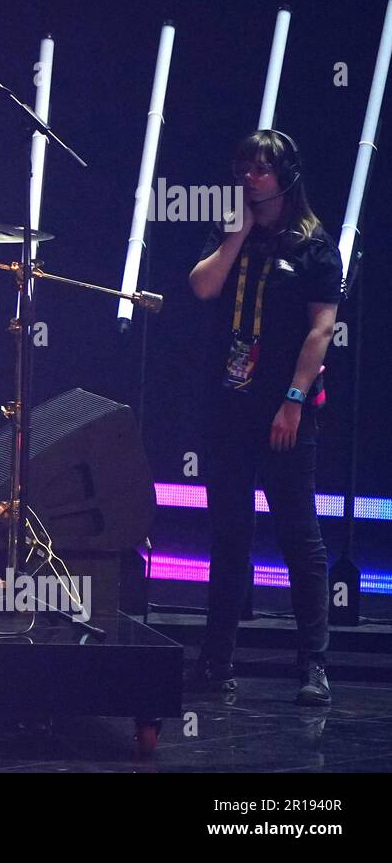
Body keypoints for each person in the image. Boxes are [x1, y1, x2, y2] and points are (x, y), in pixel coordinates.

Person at [188, 129, 341, 706]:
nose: (249, 176)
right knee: (229, 535)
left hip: (286, 409)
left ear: (286, 177)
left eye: (261, 168)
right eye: (243, 166)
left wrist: (294, 401)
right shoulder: (232, 233)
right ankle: (216, 658)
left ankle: (313, 663)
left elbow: (321, 329)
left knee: (299, 535)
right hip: (230, 403)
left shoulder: (313, 245)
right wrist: (235, 237)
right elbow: (202, 288)